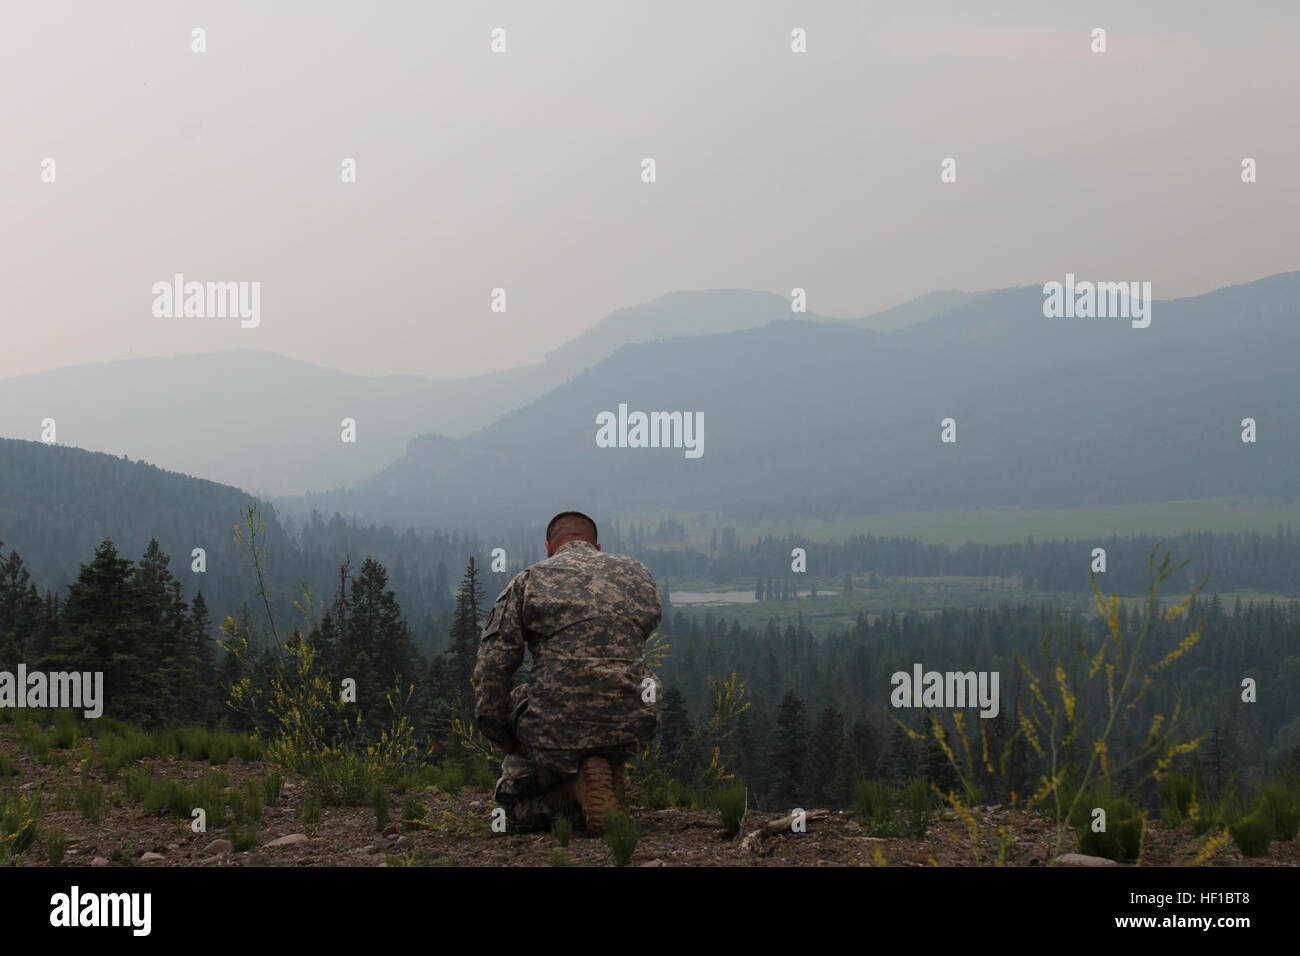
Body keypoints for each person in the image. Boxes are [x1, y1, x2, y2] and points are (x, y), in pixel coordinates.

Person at [474, 511, 663, 835]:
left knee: (508, 810)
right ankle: (606, 761)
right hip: (634, 721)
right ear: (597, 547)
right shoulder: (639, 575)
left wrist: (503, 737)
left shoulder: (529, 581)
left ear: (549, 548)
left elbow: (491, 670)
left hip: (558, 730)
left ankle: (573, 791)